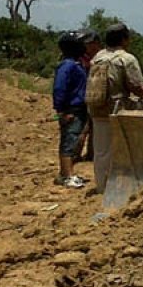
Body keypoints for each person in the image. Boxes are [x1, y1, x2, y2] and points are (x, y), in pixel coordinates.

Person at [88, 23, 143, 193]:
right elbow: (135, 86)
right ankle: (127, 184)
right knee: (125, 148)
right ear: (124, 39)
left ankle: (101, 186)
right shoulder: (127, 59)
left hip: (97, 108)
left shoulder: (98, 57)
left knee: (101, 151)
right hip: (118, 110)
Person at [52, 31, 88, 188]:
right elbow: (59, 88)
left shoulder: (76, 64)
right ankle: (67, 176)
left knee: (71, 139)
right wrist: (61, 111)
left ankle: (65, 173)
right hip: (71, 109)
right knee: (69, 141)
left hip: (78, 108)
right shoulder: (67, 65)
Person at [73, 29, 102, 163]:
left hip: (94, 96)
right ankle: (75, 154)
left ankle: (91, 154)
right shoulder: (82, 60)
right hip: (83, 97)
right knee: (84, 128)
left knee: (94, 127)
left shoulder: (97, 58)